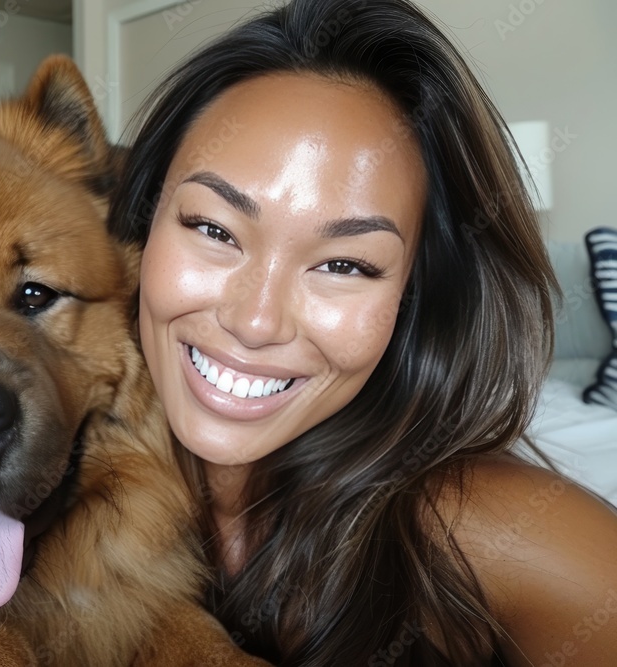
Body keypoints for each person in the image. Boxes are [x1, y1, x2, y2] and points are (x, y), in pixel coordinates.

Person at [108, 0, 617, 664]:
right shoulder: (54, 461)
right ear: (143, 224)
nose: (255, 322)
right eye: (213, 229)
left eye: (344, 265)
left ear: (414, 298)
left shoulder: (498, 534)